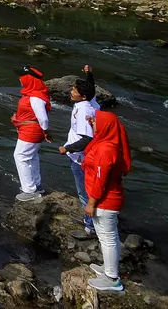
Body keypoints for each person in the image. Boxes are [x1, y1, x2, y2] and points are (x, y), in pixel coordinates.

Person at [84, 110, 132, 292]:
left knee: (108, 238)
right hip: (106, 200)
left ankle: (112, 278)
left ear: (105, 126)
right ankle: (107, 269)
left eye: (95, 121)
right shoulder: (108, 142)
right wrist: (92, 122)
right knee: (107, 236)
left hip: (105, 201)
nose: (93, 123)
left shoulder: (105, 150)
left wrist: (91, 203)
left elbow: (100, 180)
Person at [59, 66, 101, 239]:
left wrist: (67, 148)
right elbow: (90, 88)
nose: (71, 91)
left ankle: (90, 228)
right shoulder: (89, 101)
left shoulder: (85, 110)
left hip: (81, 159)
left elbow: (87, 139)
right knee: (86, 191)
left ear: (82, 96)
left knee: (85, 193)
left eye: (74, 90)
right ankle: (88, 220)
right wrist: (89, 75)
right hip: (82, 158)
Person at [12, 66, 52, 201]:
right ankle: (36, 185)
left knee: (20, 156)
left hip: (31, 132)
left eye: (22, 78)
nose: (20, 80)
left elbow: (43, 118)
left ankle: (29, 190)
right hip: (30, 130)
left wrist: (46, 131)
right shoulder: (32, 94)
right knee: (32, 156)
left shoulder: (36, 97)